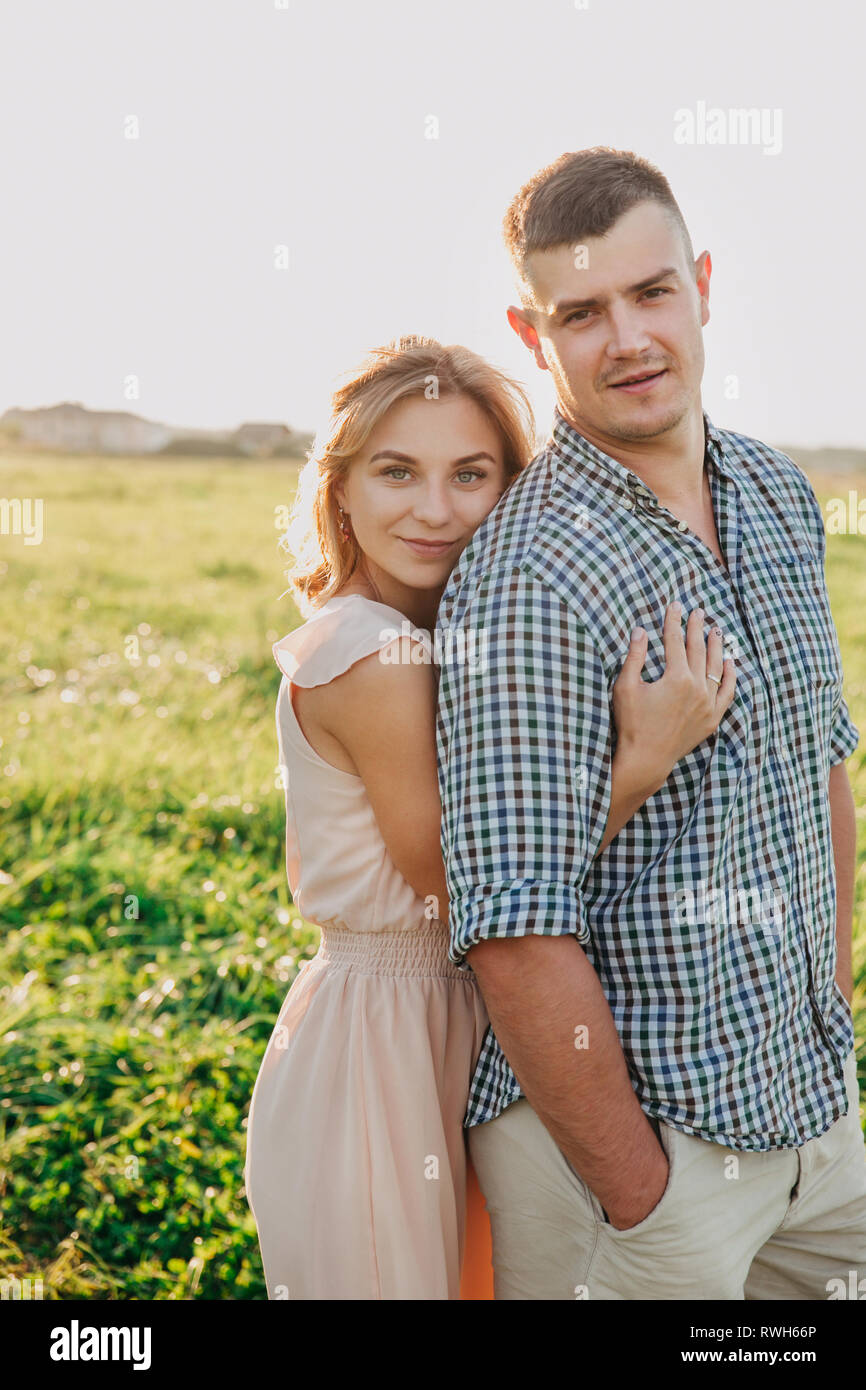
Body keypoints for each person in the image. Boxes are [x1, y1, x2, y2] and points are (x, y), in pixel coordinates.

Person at [435, 146, 866, 1300]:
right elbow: (513, 926)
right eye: (580, 312)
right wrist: (642, 1191)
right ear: (532, 337)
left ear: (703, 284)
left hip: (813, 1128)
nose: (625, 338)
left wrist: (823, 1001)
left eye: (650, 292)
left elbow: (820, 761)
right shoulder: (528, 570)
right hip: (638, 1165)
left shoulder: (776, 495)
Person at [243, 333, 735, 1299]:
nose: (435, 510)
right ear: (339, 488)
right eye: (396, 472)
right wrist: (641, 760)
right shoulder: (371, 651)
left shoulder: (434, 639)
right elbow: (458, 888)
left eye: (471, 474)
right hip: (388, 1039)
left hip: (468, 1021)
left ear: (513, 488)